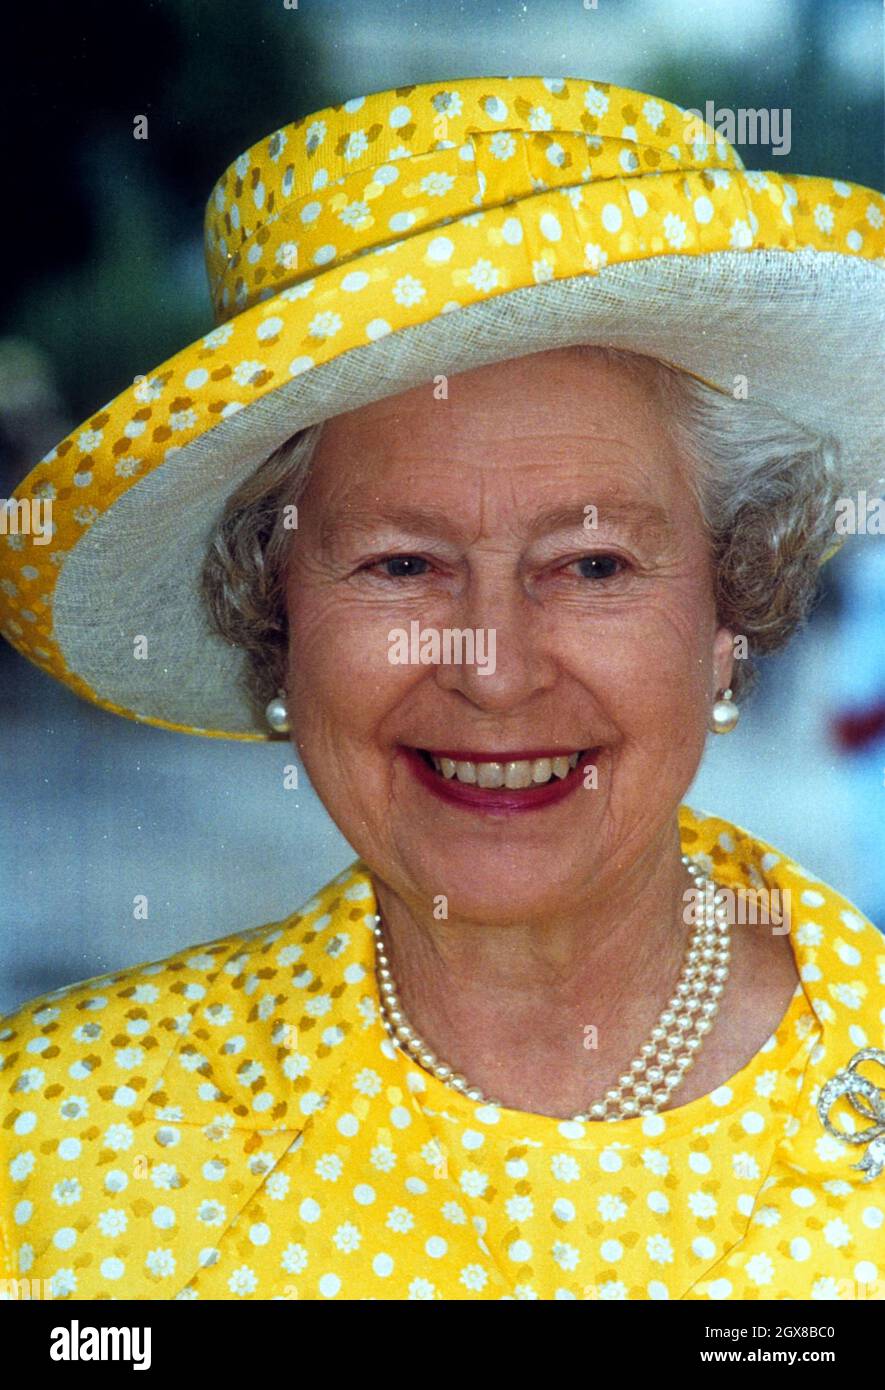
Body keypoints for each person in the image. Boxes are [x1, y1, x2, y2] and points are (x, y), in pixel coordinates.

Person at [1, 75, 883, 1302]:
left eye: (591, 563)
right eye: (401, 564)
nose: (496, 672)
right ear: (277, 616)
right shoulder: (50, 1144)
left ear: (731, 609)